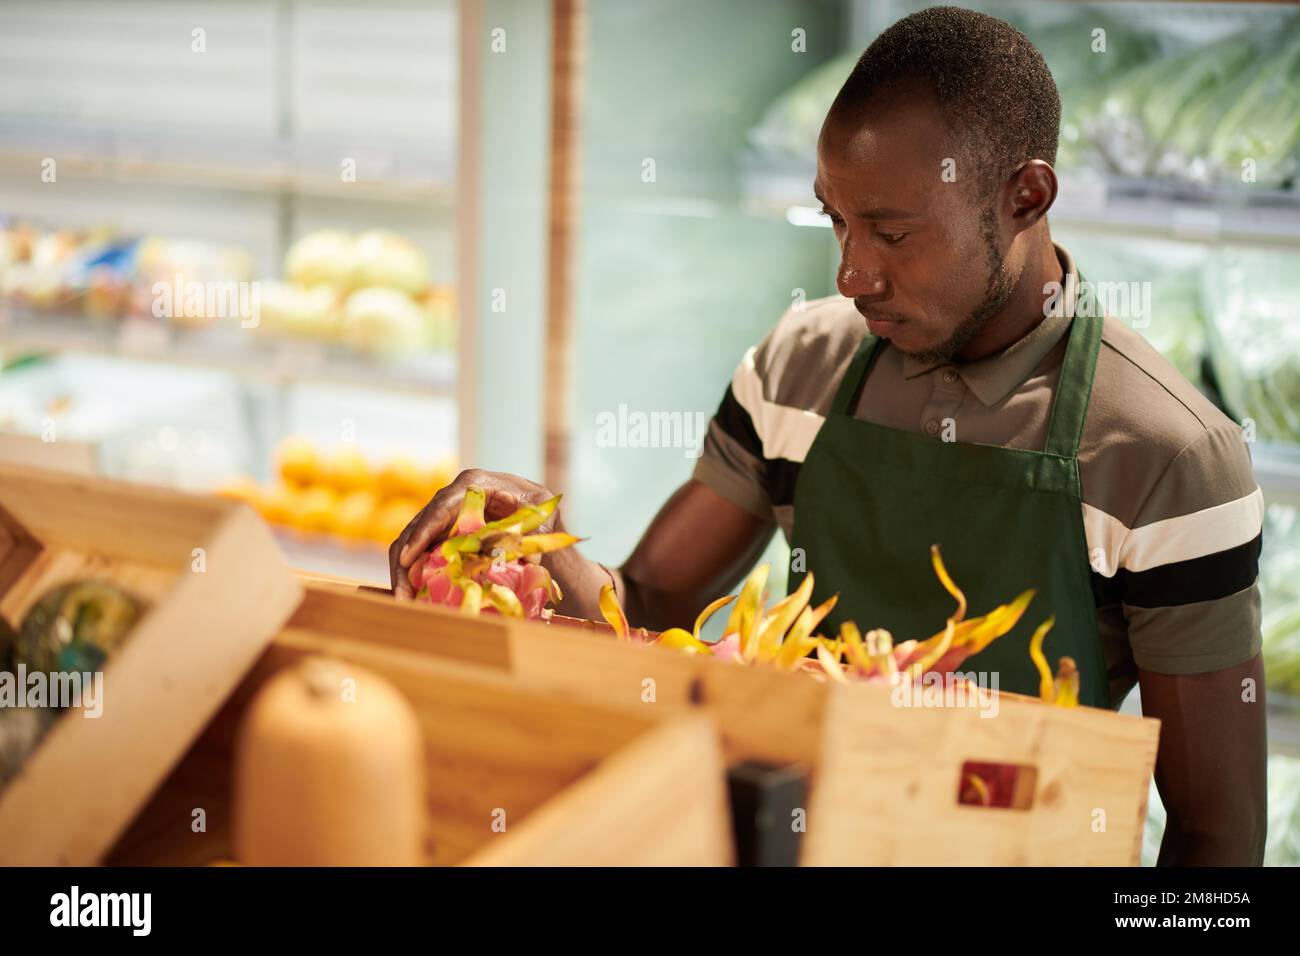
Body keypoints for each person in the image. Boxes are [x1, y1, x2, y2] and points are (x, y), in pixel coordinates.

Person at [390, 7, 1265, 865]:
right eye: (837, 221)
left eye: (892, 233)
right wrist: (534, 542)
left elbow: (1216, 845)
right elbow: (649, 608)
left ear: (1026, 196)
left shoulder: (1164, 452)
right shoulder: (799, 365)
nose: (851, 273)